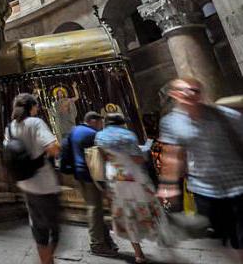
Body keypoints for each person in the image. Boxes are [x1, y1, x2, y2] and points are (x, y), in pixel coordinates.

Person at [159, 77, 243, 261]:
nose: (190, 94)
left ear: (201, 94)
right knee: (222, 236)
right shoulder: (171, 122)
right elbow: (173, 154)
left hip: (238, 184)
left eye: (195, 90)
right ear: (174, 94)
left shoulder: (226, 115)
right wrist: (169, 186)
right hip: (205, 189)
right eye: (184, 90)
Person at [96, 113, 172, 264]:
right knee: (150, 207)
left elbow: (103, 158)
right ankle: (161, 238)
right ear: (121, 123)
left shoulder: (100, 136)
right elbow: (138, 159)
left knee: (126, 215)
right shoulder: (128, 135)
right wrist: (142, 152)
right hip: (133, 176)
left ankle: (138, 254)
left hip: (115, 177)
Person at [10, 93, 61, 264]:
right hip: (45, 183)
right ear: (31, 107)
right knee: (55, 229)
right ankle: (48, 261)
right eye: (36, 106)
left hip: (25, 183)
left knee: (39, 230)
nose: (37, 109)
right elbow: (53, 148)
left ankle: (45, 260)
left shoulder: (11, 127)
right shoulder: (36, 123)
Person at [67, 112, 118, 257]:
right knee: (95, 209)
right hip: (91, 175)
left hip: (78, 174)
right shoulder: (93, 134)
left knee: (95, 207)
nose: (101, 125)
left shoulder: (74, 130)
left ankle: (105, 240)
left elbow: (66, 150)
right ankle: (97, 244)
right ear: (93, 121)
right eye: (100, 122)